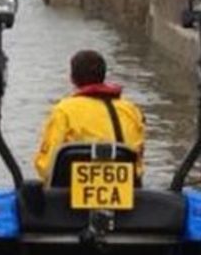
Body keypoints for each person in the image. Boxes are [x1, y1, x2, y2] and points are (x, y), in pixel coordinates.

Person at [33, 50, 145, 181]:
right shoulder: (131, 110)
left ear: (72, 79)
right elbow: (139, 160)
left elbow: (46, 165)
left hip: (70, 193)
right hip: (126, 191)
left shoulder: (64, 110)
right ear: (103, 75)